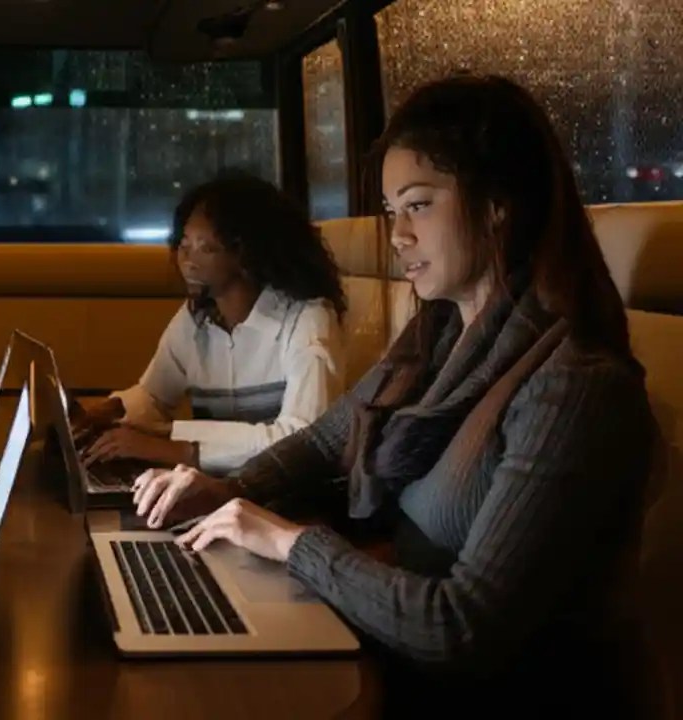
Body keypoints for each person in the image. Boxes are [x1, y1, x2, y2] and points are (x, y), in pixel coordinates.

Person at [131, 74, 657, 715]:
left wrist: (286, 541)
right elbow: (328, 439)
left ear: (498, 202)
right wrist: (231, 491)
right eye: (391, 212)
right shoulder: (436, 339)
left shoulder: (576, 385)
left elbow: (460, 628)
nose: (399, 235)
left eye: (419, 204)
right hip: (383, 652)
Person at [78, 171, 347, 477]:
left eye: (205, 248)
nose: (187, 261)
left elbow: (302, 438)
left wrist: (178, 449)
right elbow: (154, 396)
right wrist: (107, 411)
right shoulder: (195, 319)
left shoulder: (308, 319)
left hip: (287, 496)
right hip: (217, 490)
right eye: (184, 244)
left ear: (248, 255)